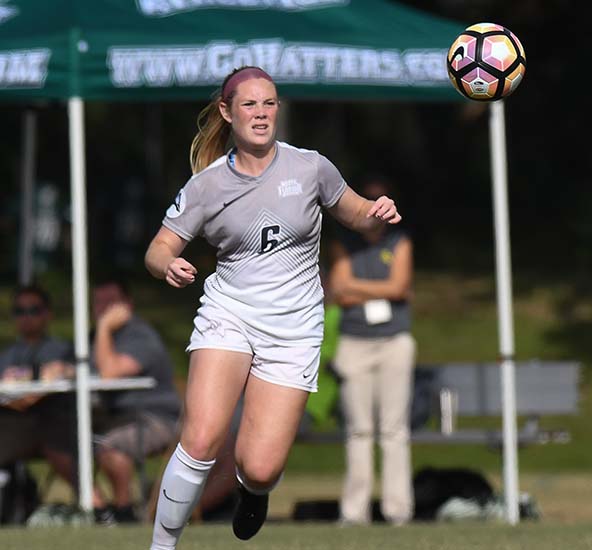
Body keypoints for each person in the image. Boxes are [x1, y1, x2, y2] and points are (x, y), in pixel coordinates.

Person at [143, 65, 401, 550]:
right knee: (200, 438)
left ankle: (252, 491)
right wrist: (168, 266)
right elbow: (157, 248)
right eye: (249, 105)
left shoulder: (310, 167)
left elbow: (356, 213)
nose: (261, 114)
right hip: (230, 314)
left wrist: (376, 211)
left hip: (295, 327)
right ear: (227, 112)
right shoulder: (207, 185)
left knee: (260, 467)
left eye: (269, 103)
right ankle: (162, 546)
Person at [329, 176, 415, 525]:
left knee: (394, 430)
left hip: (394, 341)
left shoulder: (399, 240)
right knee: (358, 429)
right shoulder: (342, 243)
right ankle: (355, 511)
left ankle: (398, 509)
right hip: (354, 343)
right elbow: (339, 290)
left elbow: (400, 287)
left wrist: (357, 287)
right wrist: (380, 289)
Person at [90, 277, 181, 523]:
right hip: (112, 418)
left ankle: (124, 510)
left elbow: (108, 373)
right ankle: (97, 508)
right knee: (65, 440)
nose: (104, 308)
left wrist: (104, 327)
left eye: (112, 302)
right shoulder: (93, 338)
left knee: (110, 444)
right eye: (99, 302)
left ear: (127, 304)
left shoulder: (141, 336)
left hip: (156, 418)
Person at [0, 285, 77, 492]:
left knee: (55, 442)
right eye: (20, 311)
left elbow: (35, 395)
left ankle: (97, 504)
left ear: (47, 314)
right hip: (12, 425)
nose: (26, 317)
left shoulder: (63, 349)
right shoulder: (8, 353)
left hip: (54, 425)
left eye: (33, 310)